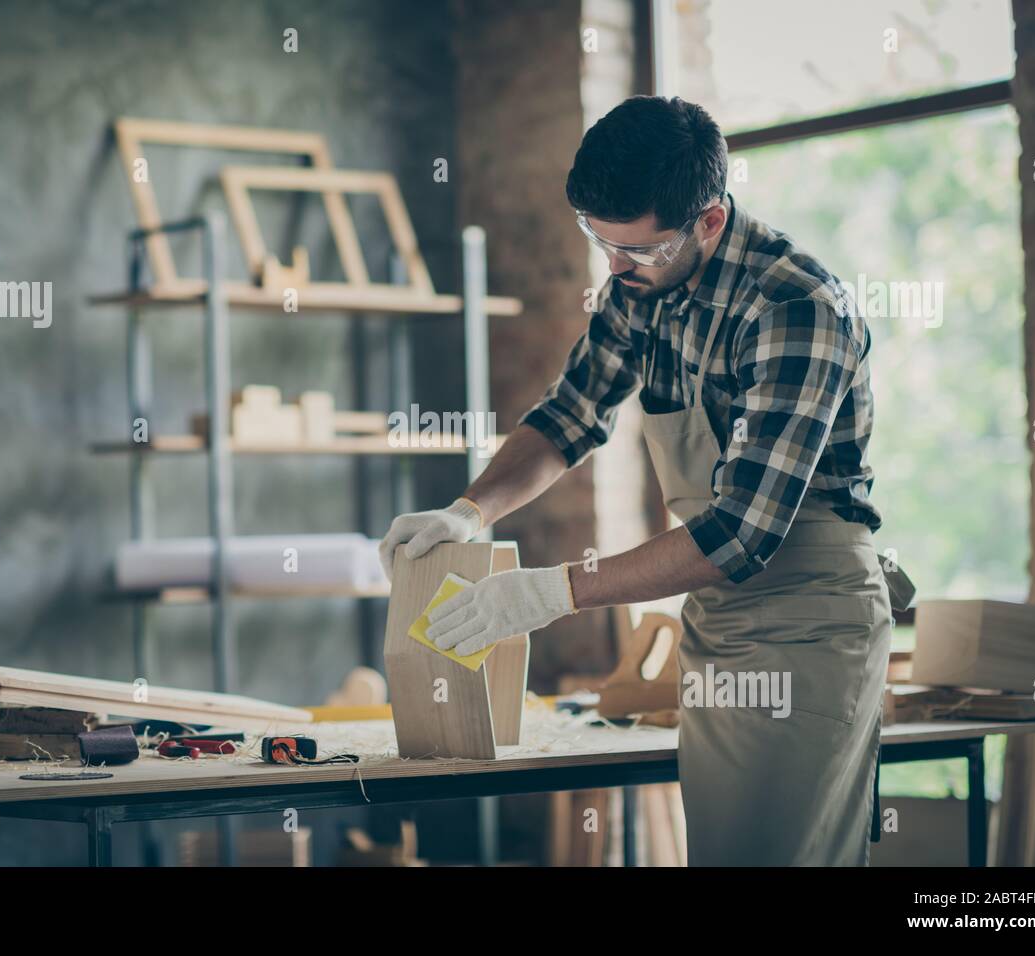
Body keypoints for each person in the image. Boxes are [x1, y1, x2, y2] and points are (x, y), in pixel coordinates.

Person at [378, 95, 914, 866]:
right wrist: (469, 510)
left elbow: (740, 533)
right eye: (598, 241)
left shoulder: (794, 306)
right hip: (717, 624)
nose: (614, 266)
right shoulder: (642, 286)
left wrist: (549, 592)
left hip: (809, 626)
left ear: (710, 222)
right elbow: (570, 414)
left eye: (637, 249)